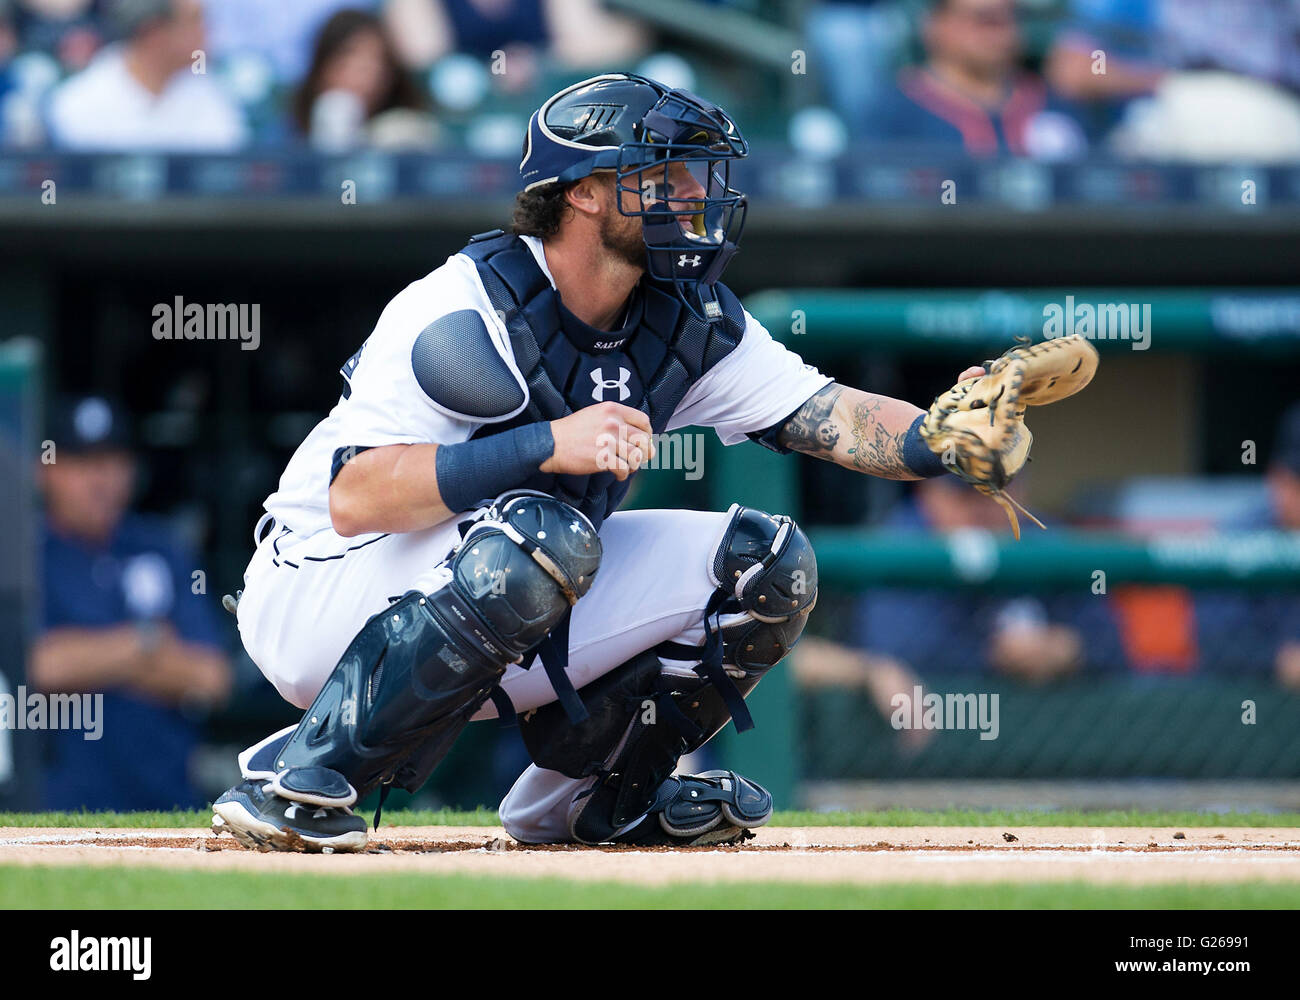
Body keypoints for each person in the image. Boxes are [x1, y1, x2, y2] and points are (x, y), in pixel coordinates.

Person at [211, 72, 1002, 854]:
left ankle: (600, 798)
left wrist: (939, 434)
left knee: (767, 565)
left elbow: (831, 416)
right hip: (322, 595)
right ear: (584, 192)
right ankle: (298, 773)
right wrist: (546, 444)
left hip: (512, 588)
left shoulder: (684, 319)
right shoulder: (463, 307)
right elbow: (357, 495)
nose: (693, 190)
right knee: (545, 534)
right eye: (662, 171)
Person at [29, 396, 232, 810]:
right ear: (46, 470)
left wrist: (91, 661)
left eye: (111, 462)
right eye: (81, 464)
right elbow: (40, 666)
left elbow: (212, 677)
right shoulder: (25, 552)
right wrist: (146, 641)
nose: (99, 479)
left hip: (166, 800)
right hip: (55, 804)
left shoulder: (162, 547)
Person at [873, 0, 1086, 158]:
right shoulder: (897, 111)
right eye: (985, 19)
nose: (1000, 31)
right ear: (936, 24)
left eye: (1010, 17)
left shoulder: (1052, 102)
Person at [45, 0, 246, 151]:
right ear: (153, 32)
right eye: (195, 21)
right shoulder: (79, 100)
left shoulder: (214, 93)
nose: (206, 31)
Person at [291, 8, 435, 151]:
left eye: (378, 61)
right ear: (322, 66)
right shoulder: (285, 130)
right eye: (349, 57)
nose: (366, 73)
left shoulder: (406, 134)